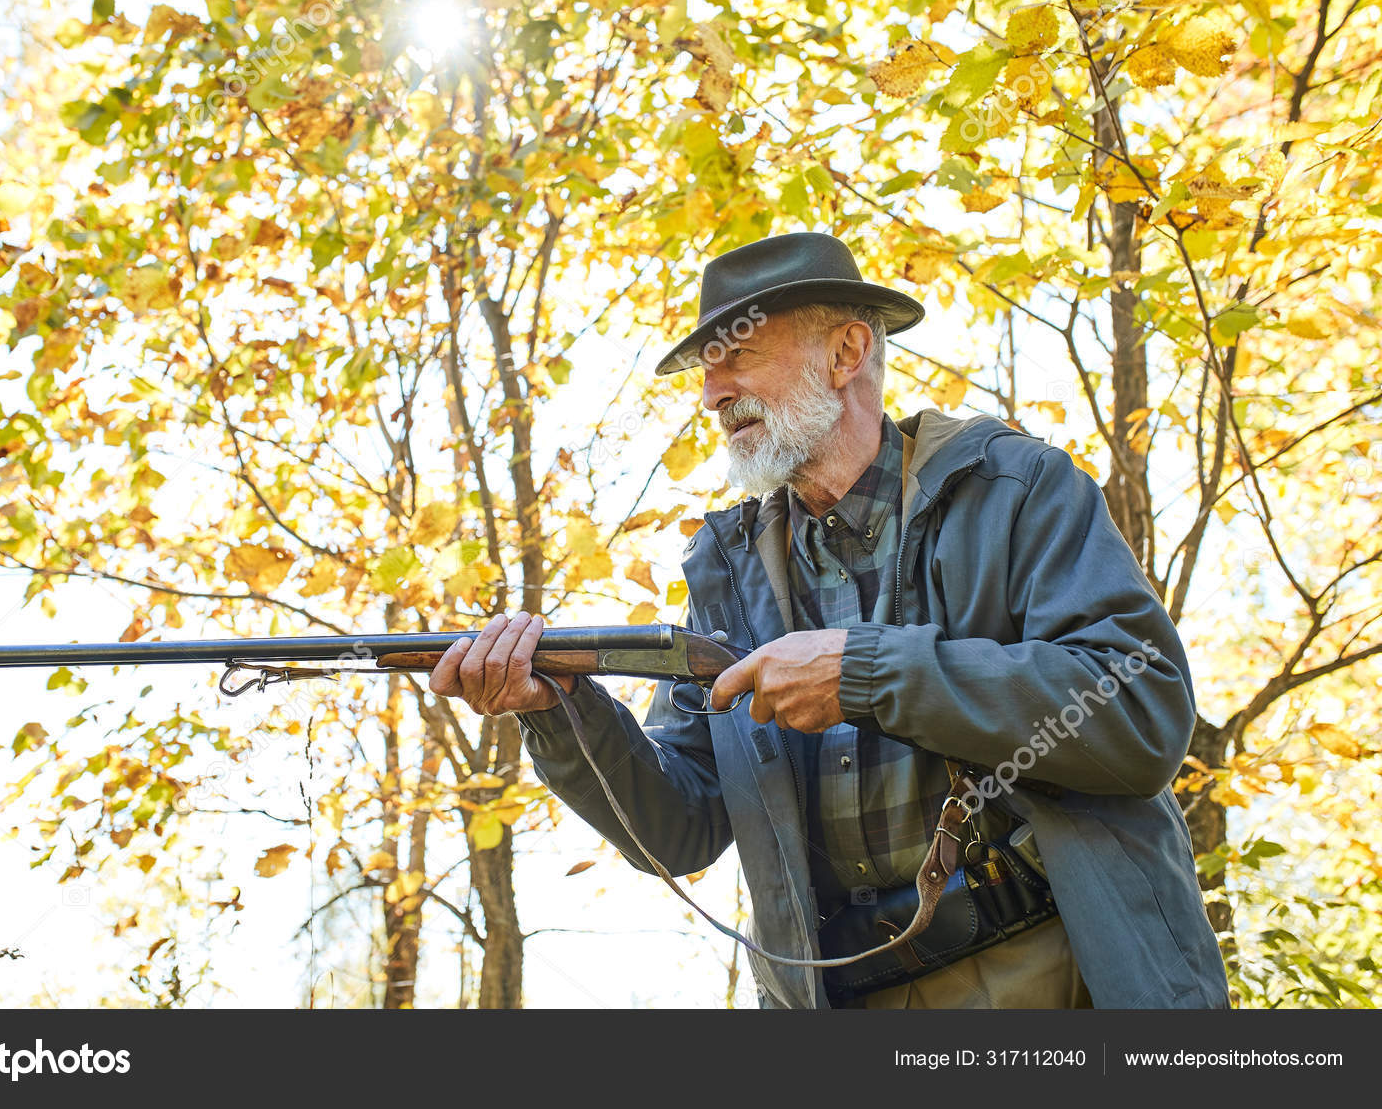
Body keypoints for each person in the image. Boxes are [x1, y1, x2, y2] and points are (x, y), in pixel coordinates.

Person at [428, 232, 1228, 1009]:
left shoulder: (1017, 489)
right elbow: (680, 829)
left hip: (1049, 977)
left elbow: (1142, 712)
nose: (710, 394)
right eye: (705, 372)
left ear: (847, 354)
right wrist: (561, 712)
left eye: (735, 356)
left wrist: (867, 672)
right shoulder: (728, 575)